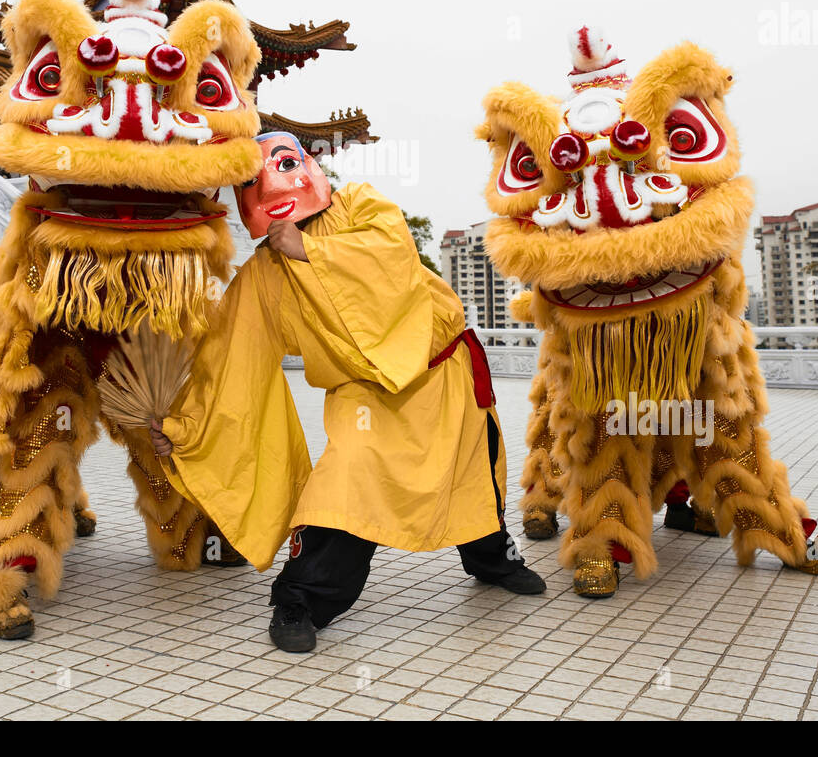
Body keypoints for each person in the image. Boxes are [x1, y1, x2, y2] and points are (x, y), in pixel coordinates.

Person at [152, 132, 545, 652]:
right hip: (364, 394)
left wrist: (311, 250)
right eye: (249, 181)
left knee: (471, 470)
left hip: (439, 373)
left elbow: (392, 255)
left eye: (283, 165)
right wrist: (183, 425)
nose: (269, 185)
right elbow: (225, 357)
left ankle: (494, 559)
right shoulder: (263, 275)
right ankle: (300, 598)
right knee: (345, 482)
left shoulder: (360, 203)